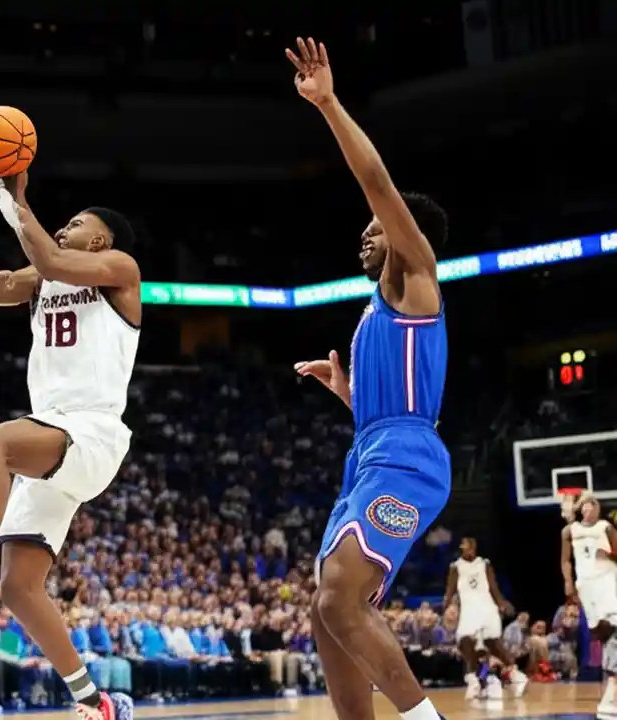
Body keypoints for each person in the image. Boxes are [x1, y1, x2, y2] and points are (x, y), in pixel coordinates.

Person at [0, 129, 140, 720]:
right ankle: (95, 702)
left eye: (77, 223)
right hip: (52, 437)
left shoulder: (118, 269)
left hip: (91, 434)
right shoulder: (43, 281)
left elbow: (53, 256)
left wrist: (20, 198)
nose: (65, 229)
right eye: (61, 223)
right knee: (19, 587)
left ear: (104, 239)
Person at [288, 37, 452, 720]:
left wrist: (327, 103)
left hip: (407, 457)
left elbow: (378, 184)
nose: (366, 235)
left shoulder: (415, 275)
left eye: (375, 231)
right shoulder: (377, 313)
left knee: (338, 596)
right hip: (374, 451)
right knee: (325, 617)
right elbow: (399, 396)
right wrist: (347, 393)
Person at [443, 537, 528, 700]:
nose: (468, 549)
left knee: (492, 644)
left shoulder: (484, 564)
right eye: (465, 546)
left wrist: (501, 603)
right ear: (461, 548)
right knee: (466, 642)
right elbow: (450, 590)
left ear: (475, 547)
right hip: (469, 609)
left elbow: (493, 587)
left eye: (471, 546)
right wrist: (445, 607)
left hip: (486, 607)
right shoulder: (456, 567)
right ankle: (474, 680)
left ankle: (515, 674)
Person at [561, 492, 617, 716]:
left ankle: (612, 689)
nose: (588, 508)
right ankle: (611, 682)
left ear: (598, 509)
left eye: (592, 504)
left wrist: (610, 555)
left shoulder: (606, 527)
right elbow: (565, 560)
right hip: (585, 584)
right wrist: (568, 582)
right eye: (584, 505)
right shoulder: (569, 531)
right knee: (600, 633)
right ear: (580, 509)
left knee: (614, 627)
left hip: (607, 578)